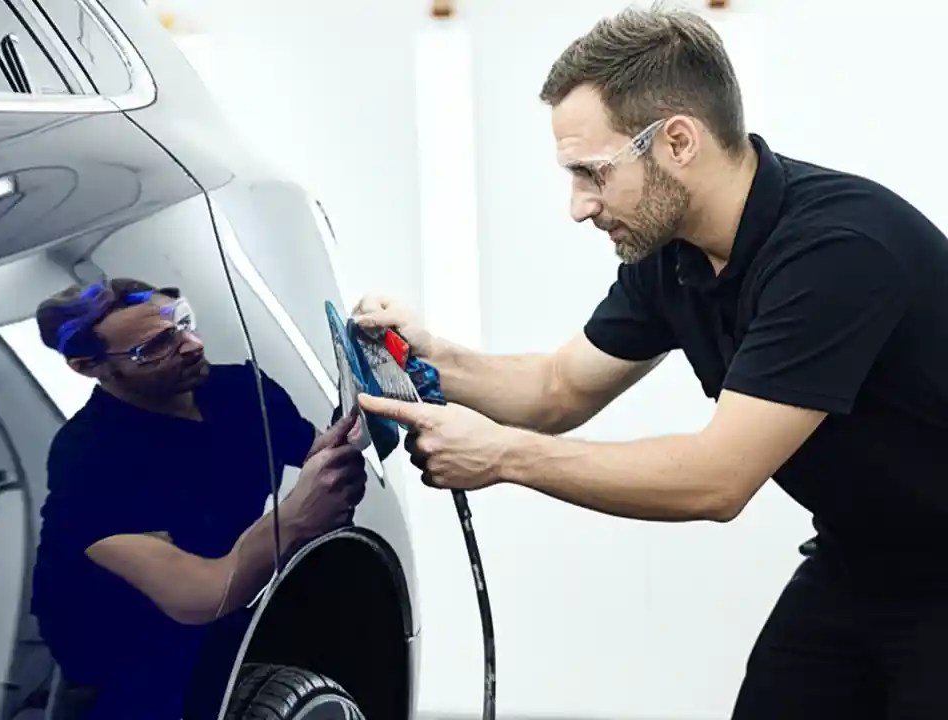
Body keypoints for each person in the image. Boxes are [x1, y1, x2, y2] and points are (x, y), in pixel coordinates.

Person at [354, 5, 948, 719]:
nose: (578, 206)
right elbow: (557, 388)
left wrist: (505, 459)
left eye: (592, 173)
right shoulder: (670, 255)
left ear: (677, 141)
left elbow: (717, 480)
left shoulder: (837, 253)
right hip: (861, 560)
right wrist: (429, 356)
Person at [30, 277, 368, 720]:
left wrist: (358, 429)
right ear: (87, 365)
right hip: (120, 645)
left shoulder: (241, 390)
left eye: (185, 323)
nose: (191, 345)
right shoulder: (88, 457)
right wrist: (295, 519)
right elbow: (198, 595)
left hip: (223, 603)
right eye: (155, 346)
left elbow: (308, 453)